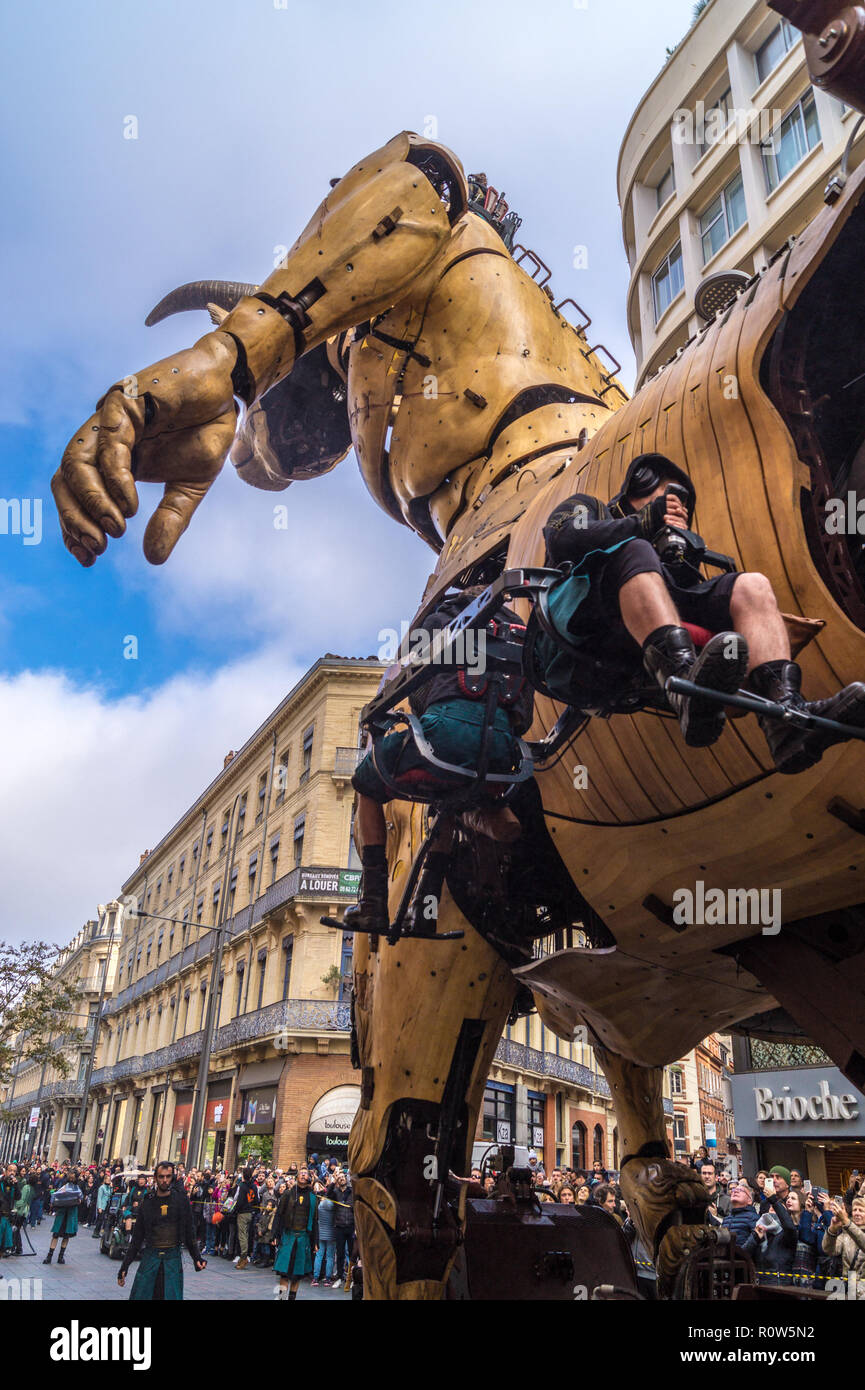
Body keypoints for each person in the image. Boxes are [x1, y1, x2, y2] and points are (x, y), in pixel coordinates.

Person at [540, 453, 865, 768]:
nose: (679, 507)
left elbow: (683, 595)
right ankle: (683, 682)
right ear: (637, 490)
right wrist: (642, 523)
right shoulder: (591, 507)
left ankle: (785, 717)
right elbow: (563, 539)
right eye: (669, 496)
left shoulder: (666, 554)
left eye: (684, 505)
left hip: (639, 627)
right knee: (636, 549)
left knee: (752, 585)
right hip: (580, 622)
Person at [347, 587, 536, 933]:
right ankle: (425, 911)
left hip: (446, 736)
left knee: (364, 783)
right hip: (502, 754)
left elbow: (412, 684)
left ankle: (372, 904)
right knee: (447, 804)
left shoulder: (442, 620)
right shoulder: (520, 632)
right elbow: (525, 714)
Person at [117, 1161, 206, 1300]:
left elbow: (189, 1231)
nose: (165, 1180)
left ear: (173, 1177)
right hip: (151, 1256)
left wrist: (197, 1257)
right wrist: (125, 1266)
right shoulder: (147, 1202)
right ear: (155, 1177)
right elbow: (137, 1238)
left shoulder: (181, 1200)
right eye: (161, 1177)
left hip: (172, 1258)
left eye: (168, 1176)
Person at [272, 1167, 319, 1300]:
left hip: (303, 1237)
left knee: (297, 1273)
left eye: (306, 1174)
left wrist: (316, 1241)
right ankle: (281, 1297)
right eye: (301, 1174)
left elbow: (315, 1221)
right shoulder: (288, 1194)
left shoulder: (313, 1197)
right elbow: (279, 1215)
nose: (303, 1175)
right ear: (297, 1177)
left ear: (309, 1178)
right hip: (288, 1236)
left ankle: (292, 1298)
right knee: (284, 1273)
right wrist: (275, 1235)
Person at [822, 1192, 865, 1297]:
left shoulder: (848, 1227)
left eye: (861, 1210)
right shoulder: (846, 1233)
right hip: (850, 1288)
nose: (857, 1213)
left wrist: (846, 1221)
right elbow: (829, 1250)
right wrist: (833, 1229)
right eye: (855, 1210)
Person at [43, 1170, 84, 1265]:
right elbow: (55, 1196)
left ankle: (60, 1256)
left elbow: (80, 1199)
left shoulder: (77, 1187)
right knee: (56, 1235)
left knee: (66, 1235)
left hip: (70, 1214)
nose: (71, 1178)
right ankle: (50, 1256)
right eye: (70, 1176)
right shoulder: (64, 1186)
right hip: (63, 1213)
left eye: (73, 1177)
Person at [330, 1170, 354, 1289]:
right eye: (339, 1178)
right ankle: (340, 1277)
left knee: (353, 1254)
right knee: (339, 1254)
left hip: (351, 1226)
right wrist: (332, 1181)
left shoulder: (352, 1191)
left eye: (342, 1177)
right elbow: (327, 1195)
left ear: (346, 1178)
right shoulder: (335, 1192)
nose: (341, 1179)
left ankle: (352, 1277)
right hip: (339, 1226)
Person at [311, 1179, 337, 1286]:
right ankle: (327, 1278)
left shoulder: (320, 1205)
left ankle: (316, 1278)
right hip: (331, 1233)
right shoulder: (333, 1205)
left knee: (319, 1255)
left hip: (321, 1232)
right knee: (330, 1256)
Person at [232, 1166, 258, 1271]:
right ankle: (243, 1257)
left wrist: (234, 1211)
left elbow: (238, 1200)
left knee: (242, 1235)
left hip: (242, 1212)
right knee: (246, 1234)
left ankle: (243, 1256)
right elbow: (256, 1199)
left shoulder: (242, 1186)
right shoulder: (254, 1186)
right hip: (250, 1212)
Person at [0, 1166, 19, 1258]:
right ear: (6, 1171)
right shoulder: (1, 1181)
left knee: (3, 1246)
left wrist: (16, 1185)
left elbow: (18, 1197)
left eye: (14, 1171)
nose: (12, 1173)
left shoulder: (13, 1185)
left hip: (7, 1216)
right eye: (10, 1170)